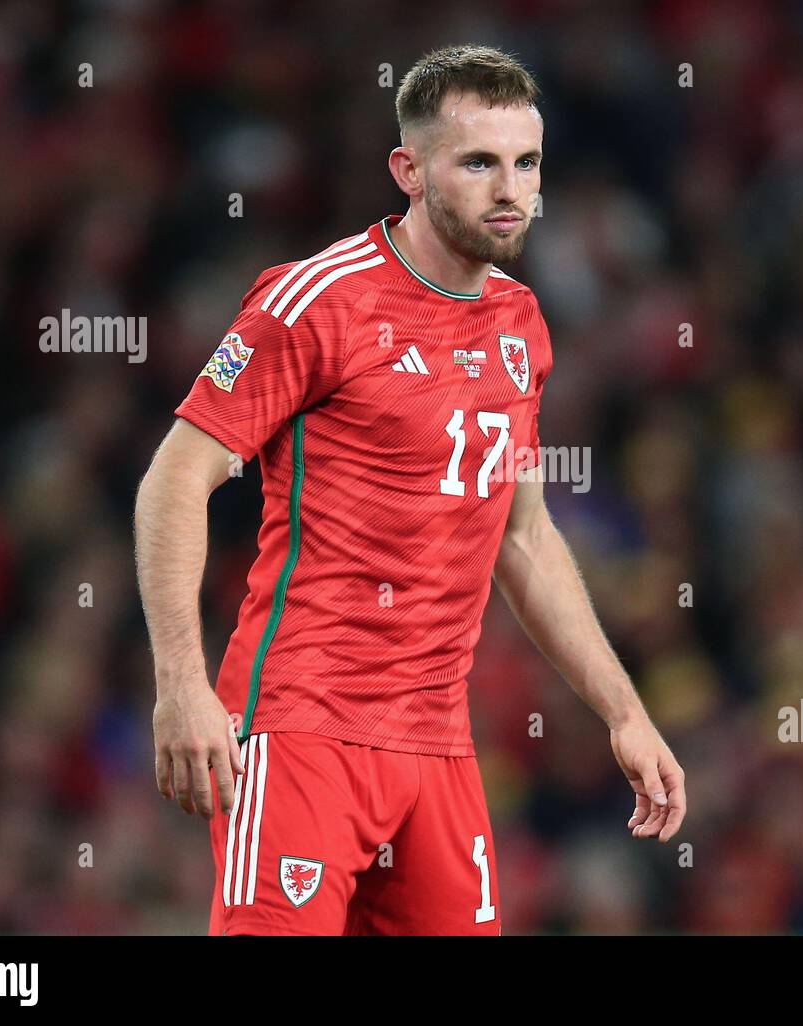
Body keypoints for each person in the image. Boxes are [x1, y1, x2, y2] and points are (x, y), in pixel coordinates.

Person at [134, 44, 686, 936]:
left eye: (526, 163)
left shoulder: (521, 323)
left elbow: (525, 538)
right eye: (478, 162)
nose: (510, 189)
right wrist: (182, 685)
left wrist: (624, 713)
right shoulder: (315, 302)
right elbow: (173, 480)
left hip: (437, 743)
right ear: (410, 170)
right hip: (301, 721)